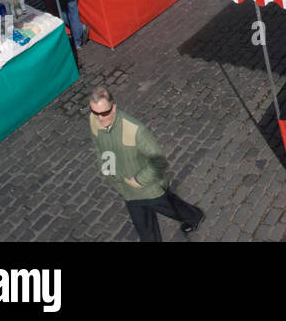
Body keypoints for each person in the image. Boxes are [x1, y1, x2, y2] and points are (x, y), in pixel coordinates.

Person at [87, 87, 204, 241]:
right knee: (145, 230)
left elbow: (159, 160)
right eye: (95, 113)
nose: (100, 118)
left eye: (104, 113)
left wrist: (139, 180)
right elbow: (99, 147)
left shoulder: (135, 130)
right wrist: (107, 169)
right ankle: (192, 216)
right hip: (127, 190)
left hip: (149, 188)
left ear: (114, 107)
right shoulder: (93, 121)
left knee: (171, 208)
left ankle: (194, 216)